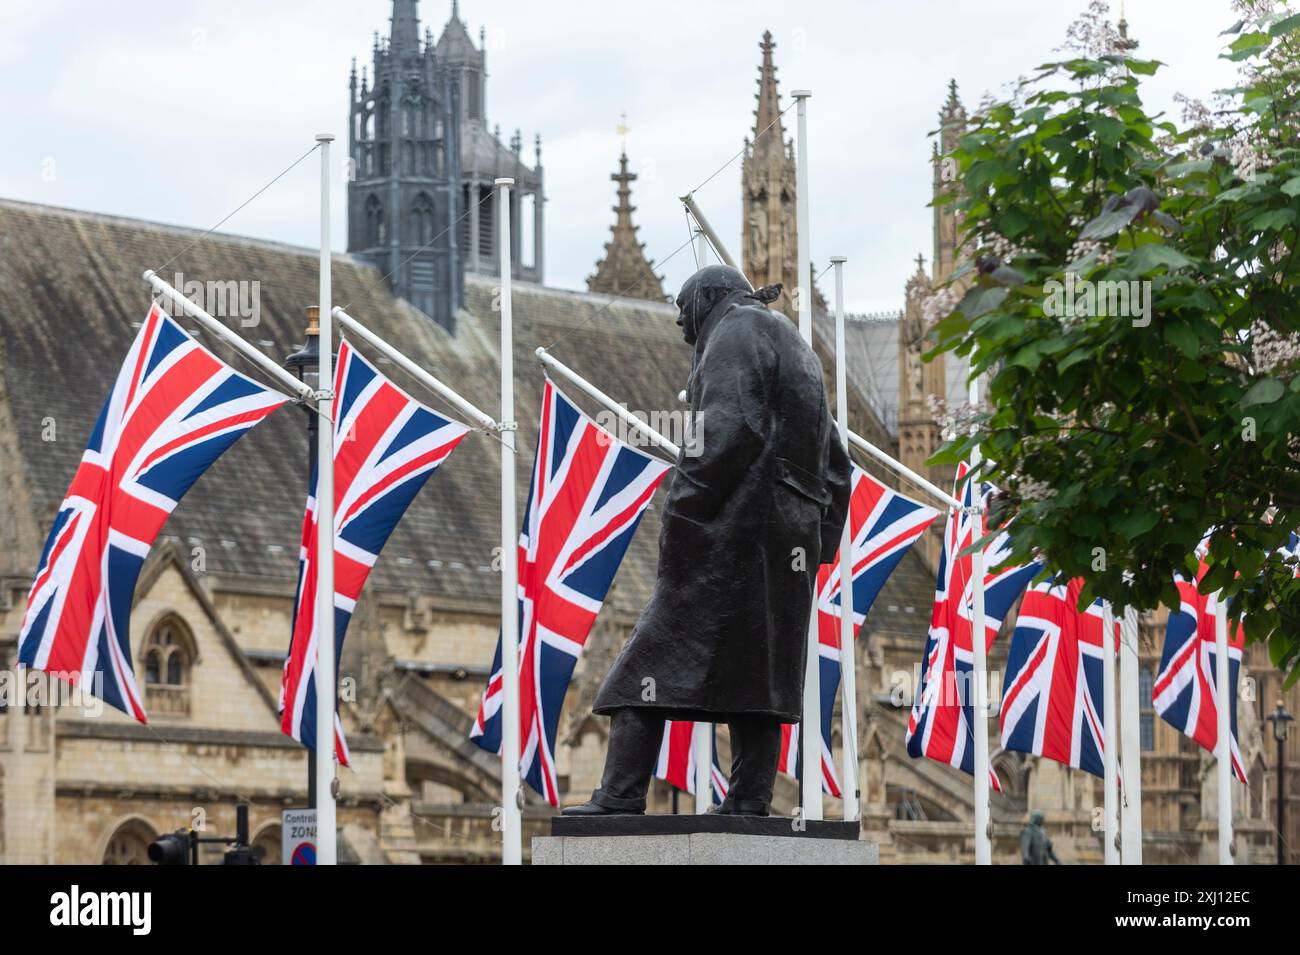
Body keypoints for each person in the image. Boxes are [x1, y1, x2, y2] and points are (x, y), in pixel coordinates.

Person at [563, 265, 851, 817]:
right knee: (760, 676)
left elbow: (722, 433)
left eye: (683, 306)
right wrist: (819, 545)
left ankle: (620, 795)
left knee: (642, 666)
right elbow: (838, 465)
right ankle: (748, 801)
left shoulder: (735, 332)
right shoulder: (798, 349)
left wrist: (684, 515)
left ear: (712, 298)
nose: (677, 320)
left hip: (731, 534)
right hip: (789, 541)